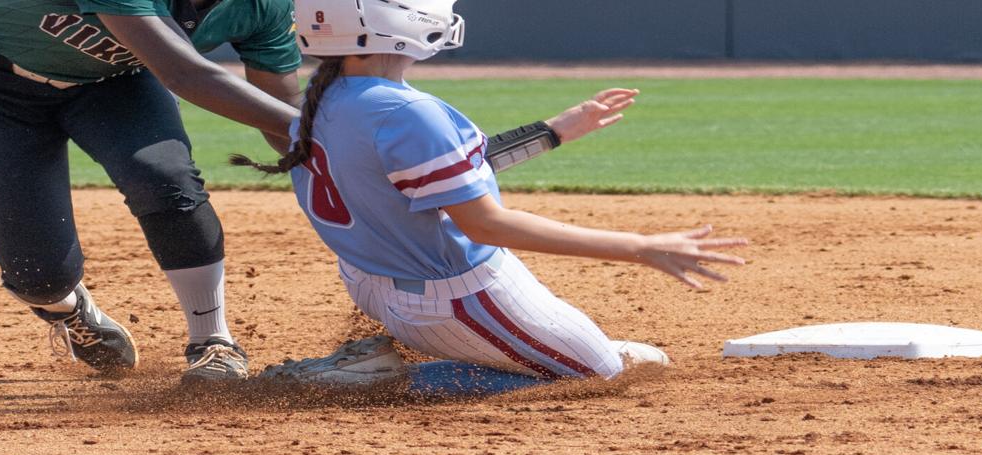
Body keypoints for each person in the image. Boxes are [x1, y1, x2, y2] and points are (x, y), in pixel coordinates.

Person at [233, 0, 747, 385]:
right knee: (605, 374)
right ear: (393, 22)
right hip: (456, 301)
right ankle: (387, 380)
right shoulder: (406, 111)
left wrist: (554, 130)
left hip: (377, 283)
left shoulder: (321, 102)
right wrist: (640, 247)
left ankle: (421, 360)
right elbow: (486, 225)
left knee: (626, 356)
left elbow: (424, 178)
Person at [0, 1, 304, 382]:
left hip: (114, 83)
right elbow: (185, 74)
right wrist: (318, 134)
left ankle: (214, 343)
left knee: (163, 175)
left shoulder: (264, 6)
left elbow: (284, 109)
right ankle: (69, 309)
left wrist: (343, 170)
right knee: (40, 280)